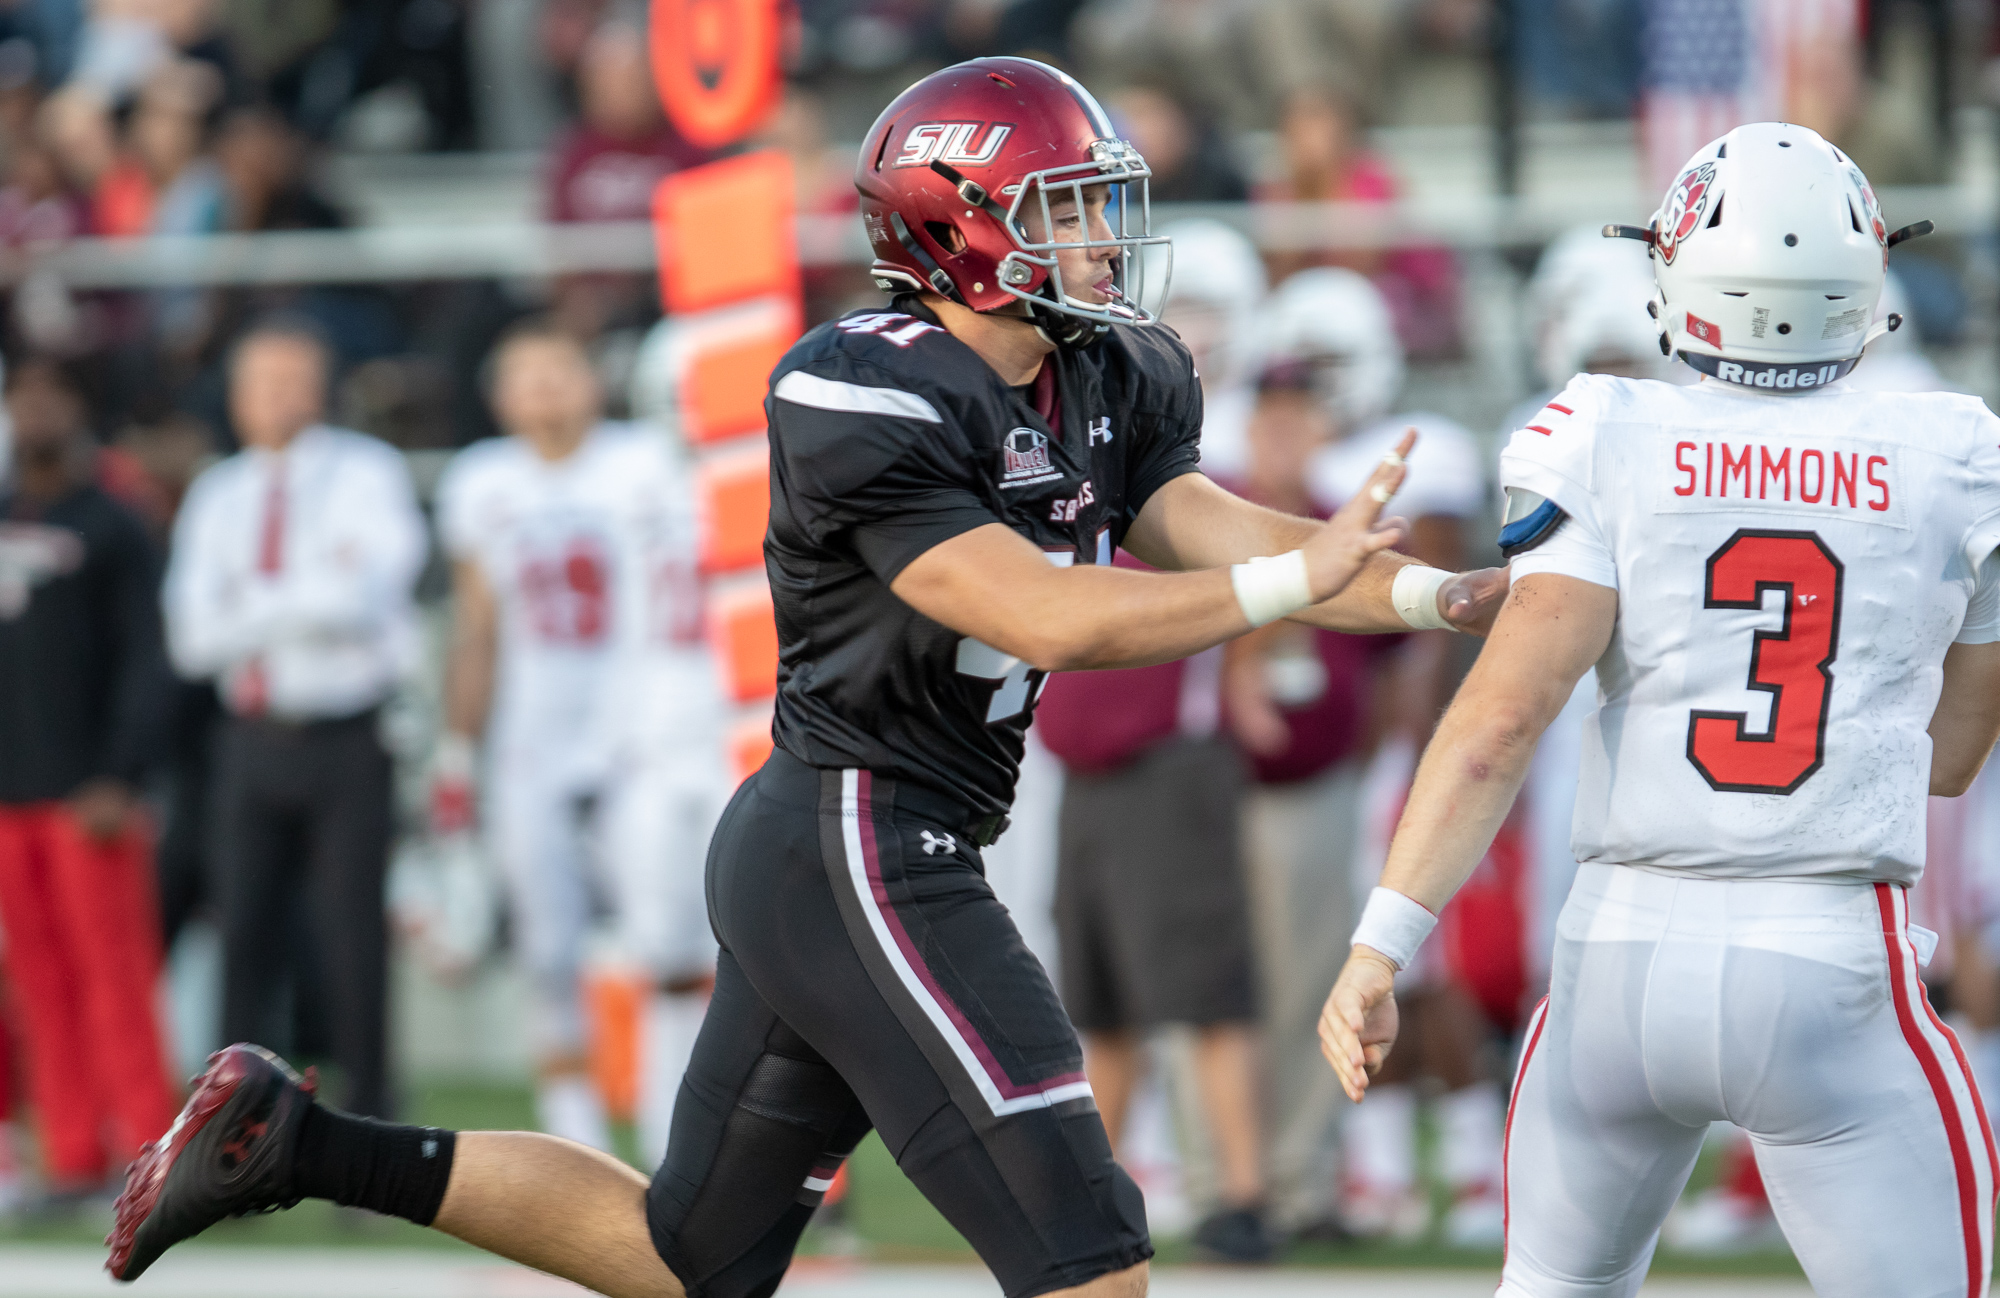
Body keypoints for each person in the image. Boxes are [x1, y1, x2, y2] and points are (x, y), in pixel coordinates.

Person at [108, 57, 1505, 1298]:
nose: (1099, 237)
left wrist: (1427, 596)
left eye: (1098, 203)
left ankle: (287, 1140)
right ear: (959, 224)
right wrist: (1287, 590)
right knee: (1091, 1255)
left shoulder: (1107, 371)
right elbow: (1047, 614)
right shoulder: (859, 386)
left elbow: (1214, 528)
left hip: (858, 844)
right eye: (1065, 205)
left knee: (685, 1257)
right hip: (861, 838)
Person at [1320, 123, 2000, 1296]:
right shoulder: (1954, 452)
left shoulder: (1603, 431)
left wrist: (1380, 942)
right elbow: (1948, 756)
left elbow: (1497, 721)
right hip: (1826, 957)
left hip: (1618, 956)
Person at [431, 319, 717, 1158]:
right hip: (532, 740)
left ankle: (673, 1133)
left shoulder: (641, 462)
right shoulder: (481, 482)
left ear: (595, 381)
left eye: (560, 367)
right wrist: (456, 750)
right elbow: (478, 628)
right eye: (526, 373)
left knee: (670, 939)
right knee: (549, 953)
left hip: (638, 736)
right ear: (498, 395)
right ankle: (575, 1140)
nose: (546, 387)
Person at [161, 318, 426, 1123]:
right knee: (242, 931)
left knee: (352, 937)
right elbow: (192, 638)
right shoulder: (219, 492)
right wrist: (305, 596)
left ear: (320, 388)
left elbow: (368, 594)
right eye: (261, 382)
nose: (277, 398)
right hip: (252, 735)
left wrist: (252, 605)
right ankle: (234, 1121)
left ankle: (370, 1114)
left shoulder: (367, 472)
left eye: (292, 380)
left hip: (347, 733)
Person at [1035, 603, 1270, 1263]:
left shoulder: (1179, 531)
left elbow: (1262, 582)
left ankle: (1244, 1198)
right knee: (1101, 1002)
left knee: (1207, 987)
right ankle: (1094, 1196)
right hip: (1084, 775)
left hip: (1169, 765)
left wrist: (1247, 670)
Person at [0, 355, 177, 1199]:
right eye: (23, 396)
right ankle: (69, 1154)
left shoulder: (113, 522)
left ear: (80, 410)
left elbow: (149, 655)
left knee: (115, 976)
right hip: (11, 791)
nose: (36, 411)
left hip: (89, 794)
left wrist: (121, 771)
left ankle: (147, 1152)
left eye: (52, 396)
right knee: (37, 980)